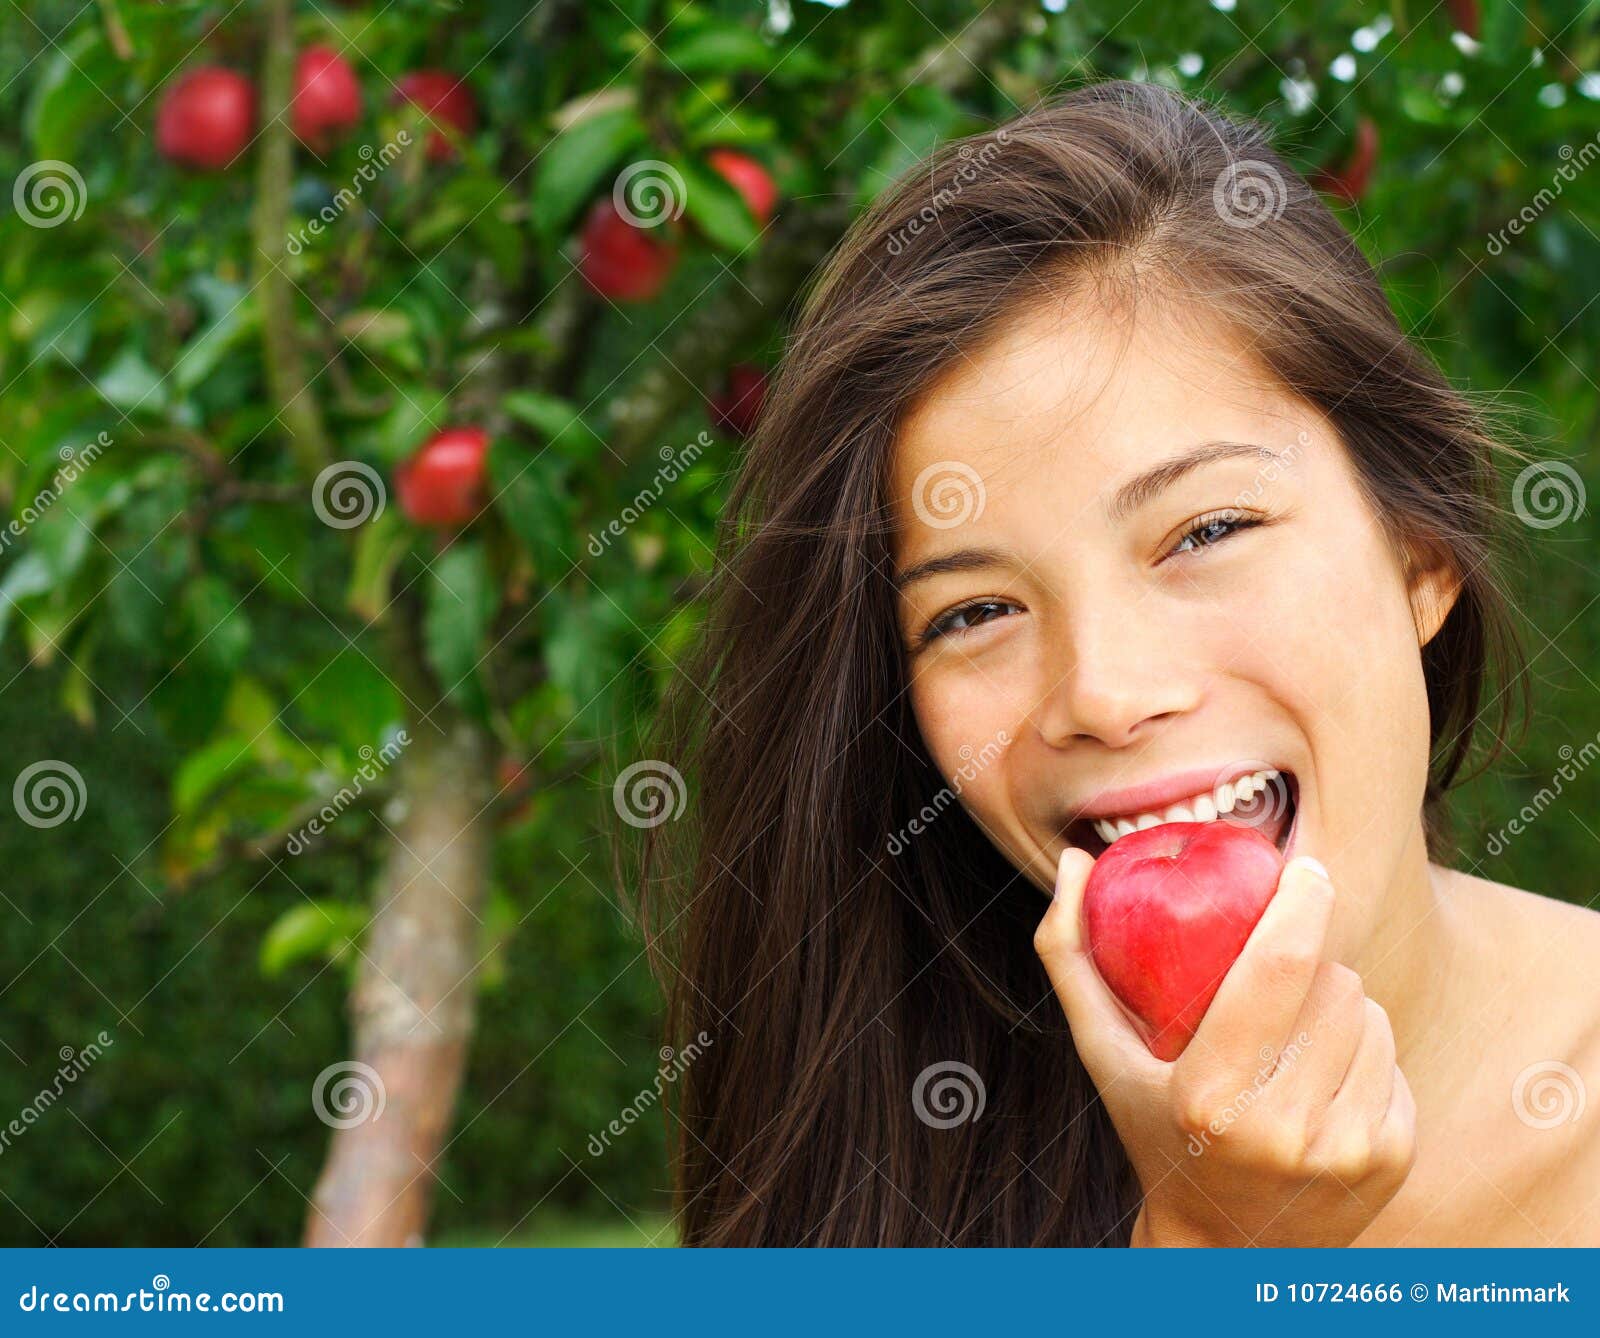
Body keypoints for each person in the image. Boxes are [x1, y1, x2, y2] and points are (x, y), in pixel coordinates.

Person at [635, 80, 1599, 1246]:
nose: (1103, 693)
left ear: (1420, 558)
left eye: (1204, 533)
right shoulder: (876, 1154)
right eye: (977, 610)